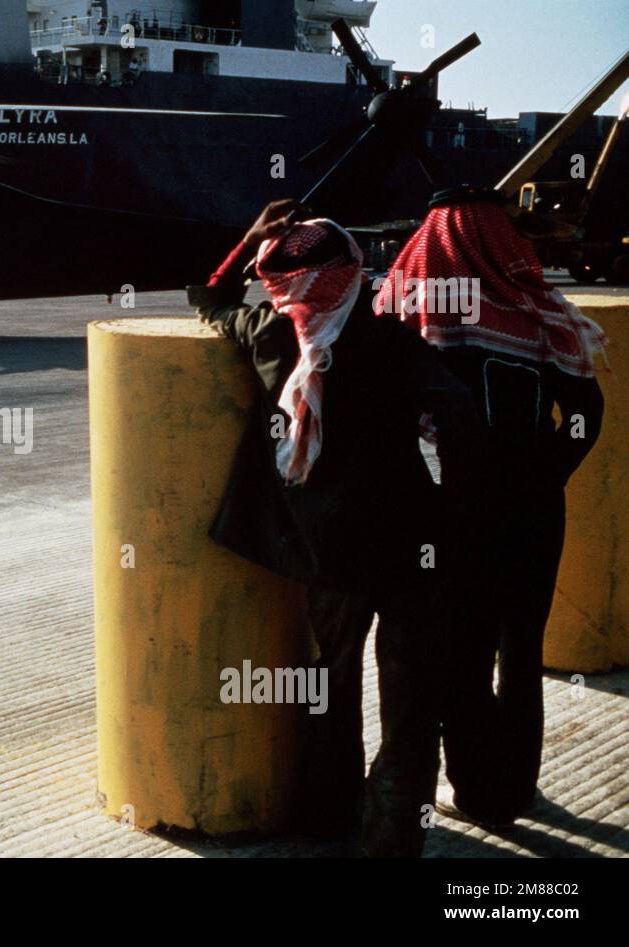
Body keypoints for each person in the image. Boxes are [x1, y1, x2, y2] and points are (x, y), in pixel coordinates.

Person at [190, 199, 478, 856]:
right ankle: (396, 827)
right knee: (409, 697)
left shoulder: (267, 330)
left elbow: (205, 296)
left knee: (332, 678)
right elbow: (456, 409)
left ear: (279, 279)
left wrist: (248, 238)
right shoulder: (389, 337)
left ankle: (328, 812)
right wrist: (458, 502)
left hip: (328, 549)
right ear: (352, 271)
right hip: (411, 542)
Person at [374, 186, 607, 827]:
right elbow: (588, 415)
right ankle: (515, 788)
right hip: (534, 511)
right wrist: (543, 474)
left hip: (460, 513)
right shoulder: (538, 314)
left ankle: (476, 789)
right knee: (521, 647)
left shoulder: (420, 324)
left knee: (466, 650)